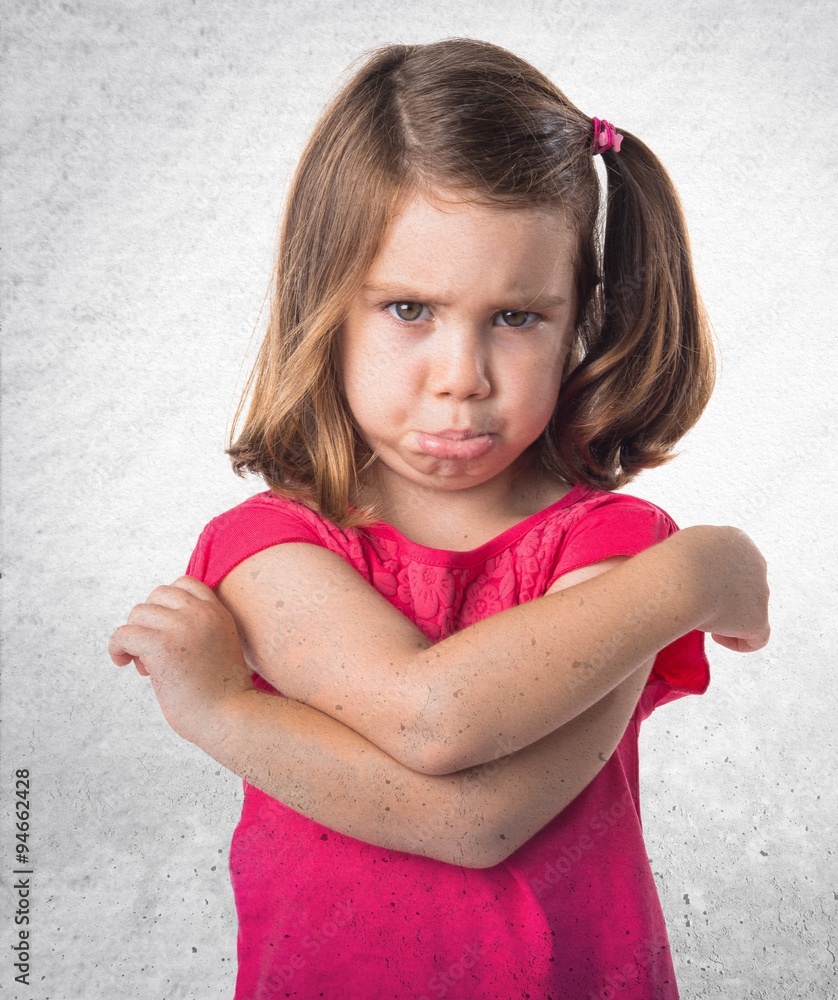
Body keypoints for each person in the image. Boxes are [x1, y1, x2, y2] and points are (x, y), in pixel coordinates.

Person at [109, 38, 770, 1000]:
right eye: (409, 307)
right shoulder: (268, 551)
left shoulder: (608, 551)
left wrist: (662, 573)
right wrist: (698, 574)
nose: (461, 375)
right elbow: (440, 739)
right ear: (325, 305)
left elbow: (494, 811)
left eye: (516, 317)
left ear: (579, 315)